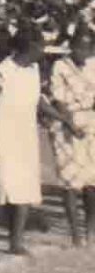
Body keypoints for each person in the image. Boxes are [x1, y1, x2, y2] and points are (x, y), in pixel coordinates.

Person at [0, 26, 50, 258]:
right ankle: (14, 236)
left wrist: (58, 117)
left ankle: (16, 241)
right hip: (4, 134)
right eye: (40, 46)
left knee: (24, 188)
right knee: (6, 190)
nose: (43, 51)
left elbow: (37, 100)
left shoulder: (35, 70)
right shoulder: (4, 69)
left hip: (26, 136)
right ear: (29, 47)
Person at [45, 27, 95, 247]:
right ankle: (76, 233)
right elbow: (58, 100)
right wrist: (70, 124)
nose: (83, 51)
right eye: (79, 46)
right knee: (69, 182)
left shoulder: (94, 65)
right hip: (65, 125)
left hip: (91, 122)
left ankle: (91, 229)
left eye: (88, 47)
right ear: (72, 46)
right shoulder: (60, 66)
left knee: (91, 182)